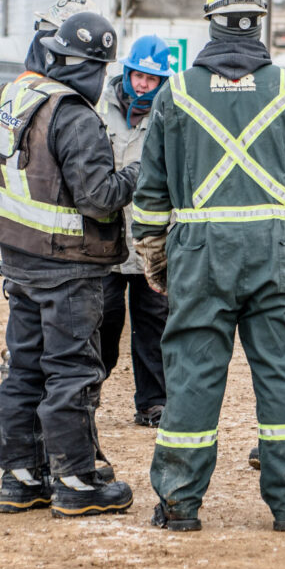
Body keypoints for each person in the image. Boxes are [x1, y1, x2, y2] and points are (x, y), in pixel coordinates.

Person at [131, 0, 285, 533]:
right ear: (258, 23)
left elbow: (150, 196)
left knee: (194, 376)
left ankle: (179, 502)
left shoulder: (175, 92)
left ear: (211, 22)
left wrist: (155, 260)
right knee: (281, 376)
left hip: (200, 257)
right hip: (276, 254)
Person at [0, 11, 140, 518]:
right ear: (95, 67)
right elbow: (100, 198)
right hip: (67, 266)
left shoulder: (16, 97)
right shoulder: (77, 115)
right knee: (72, 372)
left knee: (23, 369)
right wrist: (137, 171)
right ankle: (76, 482)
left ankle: (23, 478)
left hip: (20, 261)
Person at [95, 35, 173, 428]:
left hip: (151, 240)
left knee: (153, 324)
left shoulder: (172, 115)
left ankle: (153, 402)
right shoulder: (96, 107)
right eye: (137, 75)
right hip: (104, 239)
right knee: (102, 319)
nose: (142, 85)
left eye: (151, 79)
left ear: (163, 82)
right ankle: (87, 392)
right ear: (125, 72)